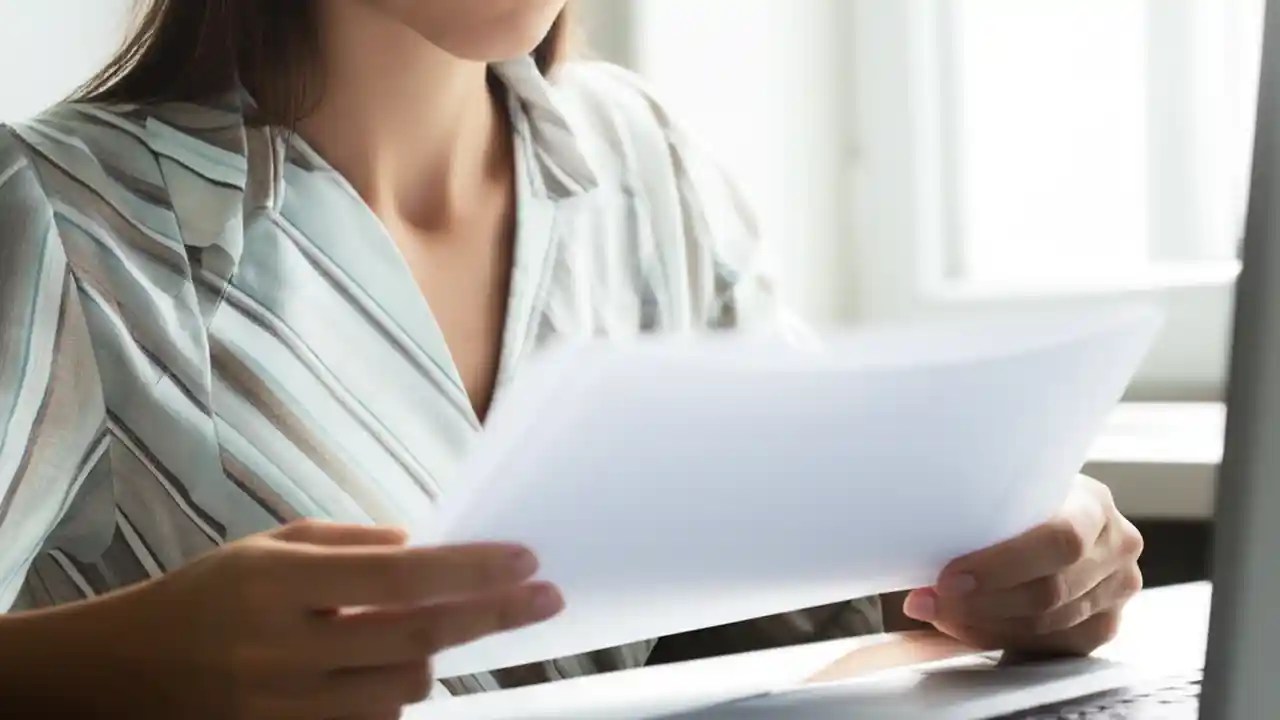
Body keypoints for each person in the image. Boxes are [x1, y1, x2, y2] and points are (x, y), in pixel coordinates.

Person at [0, 0, 1146, 717]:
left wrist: (1014, 554)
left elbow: (825, 569)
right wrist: (121, 664)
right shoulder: (60, 212)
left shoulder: (635, 157)